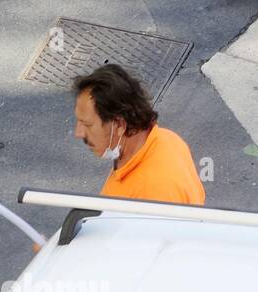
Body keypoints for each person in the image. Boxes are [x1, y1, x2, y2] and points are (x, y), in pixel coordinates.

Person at [71, 64, 205, 205]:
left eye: (87, 125)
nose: (78, 133)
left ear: (119, 125)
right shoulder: (166, 138)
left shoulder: (153, 194)